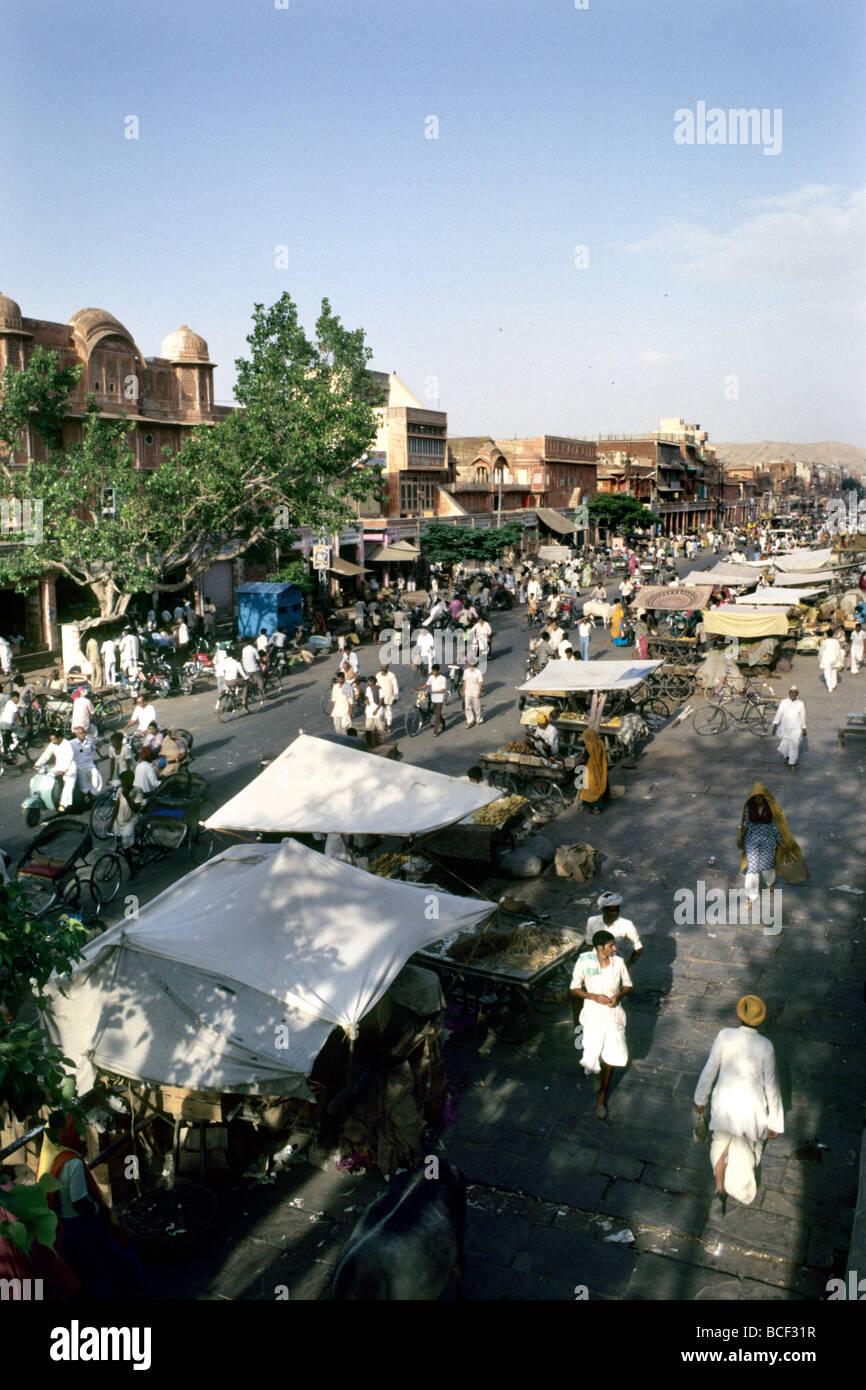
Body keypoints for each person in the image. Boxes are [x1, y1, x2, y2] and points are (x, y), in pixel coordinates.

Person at [692, 995, 783, 1213]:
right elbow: (772, 1085)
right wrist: (775, 1121)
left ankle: (719, 1189)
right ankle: (742, 1179)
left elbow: (710, 1069)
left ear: (739, 1015)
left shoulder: (725, 1035)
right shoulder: (766, 1046)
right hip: (752, 1109)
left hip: (725, 1104)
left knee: (720, 1144)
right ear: (759, 1020)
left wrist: (699, 1099)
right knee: (749, 1145)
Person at [570, 931, 633, 1119]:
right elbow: (574, 988)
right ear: (600, 948)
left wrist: (617, 997)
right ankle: (598, 1075)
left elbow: (628, 985)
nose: (615, 949)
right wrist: (592, 996)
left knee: (612, 1058)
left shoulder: (618, 963)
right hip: (593, 1015)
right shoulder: (585, 962)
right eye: (611, 946)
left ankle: (602, 1097)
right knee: (594, 1051)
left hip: (613, 1015)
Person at [738, 781, 807, 902]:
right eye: (756, 798)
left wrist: (781, 842)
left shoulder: (771, 809)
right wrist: (741, 838)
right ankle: (751, 894)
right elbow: (746, 824)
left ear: (764, 797)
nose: (758, 800)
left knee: (767, 864)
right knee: (752, 866)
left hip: (768, 840)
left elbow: (775, 826)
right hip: (752, 840)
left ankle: (769, 883)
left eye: (760, 798)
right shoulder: (750, 808)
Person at [584, 892, 642, 967]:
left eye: (617, 910)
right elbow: (590, 944)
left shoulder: (627, 924)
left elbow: (638, 947)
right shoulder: (592, 921)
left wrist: (626, 966)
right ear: (603, 910)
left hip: (616, 965)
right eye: (612, 911)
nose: (615, 913)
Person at [34, 731, 77, 810]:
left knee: (68, 784)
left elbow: (70, 757)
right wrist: (38, 764)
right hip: (58, 767)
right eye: (51, 740)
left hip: (70, 768)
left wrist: (63, 770)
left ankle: (63, 804)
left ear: (60, 738)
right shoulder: (53, 744)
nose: (52, 741)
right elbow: (46, 754)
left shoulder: (67, 744)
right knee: (46, 778)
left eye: (54, 739)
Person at [771, 685, 807, 771]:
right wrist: (775, 726)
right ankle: (786, 757)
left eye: (795, 692)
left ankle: (792, 763)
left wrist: (804, 728)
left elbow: (803, 716)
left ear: (797, 694)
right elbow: (779, 714)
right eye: (791, 692)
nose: (793, 694)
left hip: (796, 728)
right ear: (789, 693)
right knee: (786, 744)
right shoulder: (784, 702)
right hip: (785, 727)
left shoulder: (800, 703)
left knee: (794, 745)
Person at [578, 728, 608, 815]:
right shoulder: (600, 743)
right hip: (600, 768)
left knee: (591, 789)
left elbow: (583, 759)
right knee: (599, 785)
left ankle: (596, 807)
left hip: (590, 770)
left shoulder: (588, 747)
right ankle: (599, 804)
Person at [69, 726, 101, 799]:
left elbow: (93, 748)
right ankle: (85, 795)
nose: (83, 734)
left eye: (84, 733)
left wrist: (91, 757)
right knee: (83, 783)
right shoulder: (71, 743)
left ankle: (94, 793)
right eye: (81, 733)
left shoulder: (89, 740)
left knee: (95, 777)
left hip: (90, 765)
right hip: (79, 767)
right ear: (76, 735)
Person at [424, 663, 448, 735]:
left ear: (438, 671)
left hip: (440, 698)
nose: (433, 672)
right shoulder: (431, 677)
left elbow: (443, 690)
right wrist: (418, 688)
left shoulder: (443, 679)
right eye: (432, 671)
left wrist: (433, 691)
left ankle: (436, 731)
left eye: (434, 671)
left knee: (437, 714)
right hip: (433, 698)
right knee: (437, 713)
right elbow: (427, 684)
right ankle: (443, 723)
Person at [375, 663, 400, 729]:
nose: (382, 669)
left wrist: (396, 697)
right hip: (380, 697)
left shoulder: (391, 675)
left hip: (389, 697)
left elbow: (395, 686)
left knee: (388, 712)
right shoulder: (378, 675)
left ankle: (388, 725)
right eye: (381, 667)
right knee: (380, 712)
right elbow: (376, 685)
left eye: (384, 668)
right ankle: (381, 726)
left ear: (387, 668)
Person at [462, 657, 484, 727]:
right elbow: (465, 681)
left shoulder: (478, 672)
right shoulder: (466, 671)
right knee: (467, 707)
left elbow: (480, 682)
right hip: (468, 692)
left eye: (472, 663)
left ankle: (478, 720)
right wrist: (463, 691)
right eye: (470, 663)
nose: (471, 665)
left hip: (475, 692)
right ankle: (470, 720)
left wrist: (479, 691)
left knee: (477, 708)